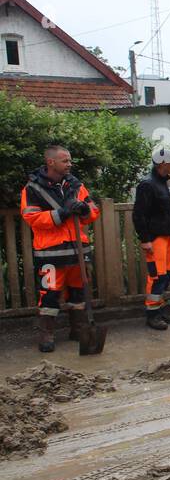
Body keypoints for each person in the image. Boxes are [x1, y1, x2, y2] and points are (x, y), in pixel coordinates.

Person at [19, 145, 99, 352]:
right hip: (51, 255)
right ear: (51, 162)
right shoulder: (33, 189)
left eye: (70, 161)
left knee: (78, 294)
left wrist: (84, 210)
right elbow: (32, 218)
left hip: (77, 252)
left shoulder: (76, 185)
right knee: (49, 296)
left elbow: (93, 212)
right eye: (65, 161)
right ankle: (46, 334)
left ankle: (79, 329)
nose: (69, 164)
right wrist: (63, 213)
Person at [132, 149, 170, 330]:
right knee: (156, 276)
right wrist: (145, 239)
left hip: (166, 236)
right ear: (162, 164)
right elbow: (139, 215)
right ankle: (152, 314)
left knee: (166, 275)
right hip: (155, 238)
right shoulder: (147, 185)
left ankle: (159, 308)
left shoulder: (164, 183)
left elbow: (165, 212)